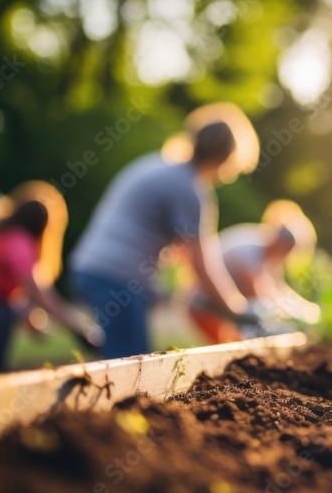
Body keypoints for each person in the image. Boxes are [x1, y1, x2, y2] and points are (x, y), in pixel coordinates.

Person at [70, 116, 257, 358]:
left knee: (122, 359)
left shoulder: (161, 166)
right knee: (131, 366)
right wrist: (236, 309)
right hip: (116, 277)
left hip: (94, 268)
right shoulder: (188, 187)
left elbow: (181, 252)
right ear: (225, 158)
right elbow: (202, 263)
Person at [0, 200, 102, 377]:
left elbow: (13, 291)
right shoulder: (19, 242)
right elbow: (40, 294)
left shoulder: (3, 234)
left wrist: (26, 313)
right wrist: (79, 329)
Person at [189, 200, 319, 343]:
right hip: (204, 305)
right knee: (231, 347)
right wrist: (294, 315)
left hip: (224, 308)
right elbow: (259, 294)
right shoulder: (248, 251)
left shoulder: (268, 255)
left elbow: (278, 288)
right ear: (282, 244)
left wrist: (306, 309)